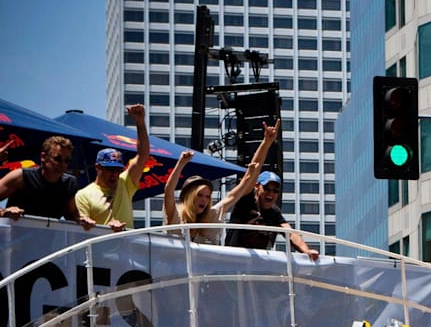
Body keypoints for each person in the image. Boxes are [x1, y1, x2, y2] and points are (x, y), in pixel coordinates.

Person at [163, 120, 282, 245]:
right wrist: (181, 163)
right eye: (199, 195)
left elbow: (235, 194)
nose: (204, 200)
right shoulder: (175, 214)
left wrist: (266, 143)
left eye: (207, 196)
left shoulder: (212, 215)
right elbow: (169, 191)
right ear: (188, 196)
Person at [74, 103, 151, 231]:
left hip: (128, 243)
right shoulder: (84, 195)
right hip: (100, 243)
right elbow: (83, 229)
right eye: (110, 169)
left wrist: (140, 122)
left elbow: (143, 156)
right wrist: (107, 229)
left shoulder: (124, 182)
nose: (114, 174)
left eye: (118, 170)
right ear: (98, 168)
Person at [226, 169, 318, 258]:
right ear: (257, 186)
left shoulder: (274, 212)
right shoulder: (244, 201)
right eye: (266, 188)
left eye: (275, 191)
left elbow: (290, 233)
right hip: (234, 259)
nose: (271, 194)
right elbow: (246, 184)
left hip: (256, 263)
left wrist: (307, 251)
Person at [0, 135, 90, 225]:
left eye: (67, 161)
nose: (62, 164)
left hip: (48, 233)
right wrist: (3, 212)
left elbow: (72, 214)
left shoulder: (69, 184)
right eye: (57, 159)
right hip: (14, 233)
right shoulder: (21, 176)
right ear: (43, 157)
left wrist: (82, 219)